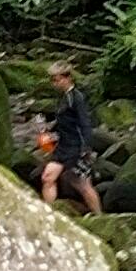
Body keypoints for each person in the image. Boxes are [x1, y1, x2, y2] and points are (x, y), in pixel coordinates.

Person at [41, 62, 102, 215]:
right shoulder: (64, 98)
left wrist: (86, 148)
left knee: (82, 184)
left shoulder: (76, 98)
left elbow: (84, 123)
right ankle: (49, 214)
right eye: (52, 80)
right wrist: (50, 129)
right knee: (48, 178)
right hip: (64, 146)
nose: (54, 83)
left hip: (76, 147)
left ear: (67, 78)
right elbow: (65, 119)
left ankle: (100, 216)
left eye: (56, 79)